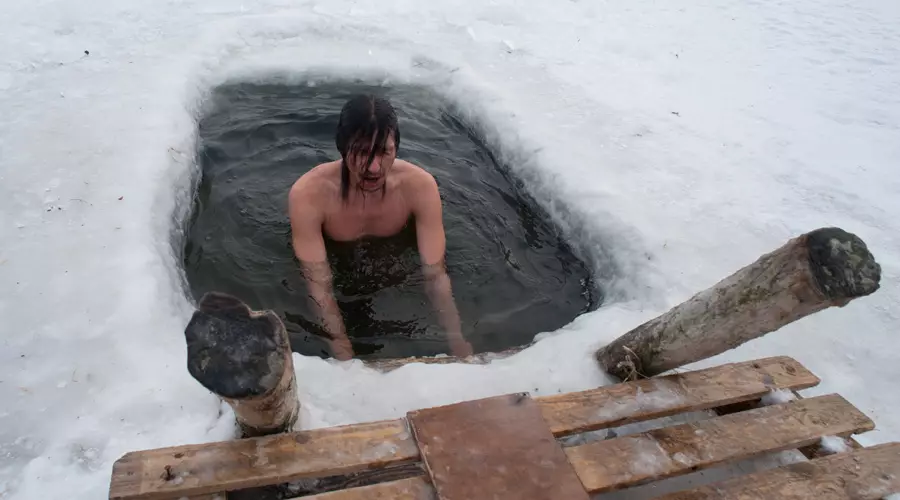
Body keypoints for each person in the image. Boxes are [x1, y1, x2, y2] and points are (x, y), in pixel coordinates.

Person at [288, 95, 473, 360]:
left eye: (383, 152)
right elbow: (318, 282)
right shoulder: (308, 195)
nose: (374, 168)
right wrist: (343, 353)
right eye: (362, 152)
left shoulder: (419, 187)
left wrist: (457, 341)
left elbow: (435, 273)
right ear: (342, 147)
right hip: (340, 272)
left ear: (396, 147)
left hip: (393, 275)